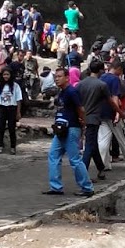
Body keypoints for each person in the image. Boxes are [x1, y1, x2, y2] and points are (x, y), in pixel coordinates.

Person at [45, 64, 94, 197]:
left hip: (71, 128)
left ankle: (87, 187)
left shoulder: (72, 92)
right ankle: (55, 186)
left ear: (67, 78)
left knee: (74, 159)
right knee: (53, 156)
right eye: (56, 77)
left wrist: (82, 123)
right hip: (60, 129)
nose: (57, 79)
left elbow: (81, 109)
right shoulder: (61, 92)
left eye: (60, 77)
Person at [77, 58, 113, 179]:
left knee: (92, 144)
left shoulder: (81, 84)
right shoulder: (101, 85)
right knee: (89, 146)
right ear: (101, 70)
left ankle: (100, 168)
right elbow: (111, 102)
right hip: (94, 118)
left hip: (83, 117)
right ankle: (83, 174)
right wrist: (120, 113)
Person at [0, 68, 24, 154]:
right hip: (2, 108)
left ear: (10, 75)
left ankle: (13, 147)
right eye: (4, 74)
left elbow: (18, 100)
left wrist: (18, 112)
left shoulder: (15, 86)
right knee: (0, 128)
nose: (6, 76)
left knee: (12, 128)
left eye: (7, 74)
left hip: (12, 108)